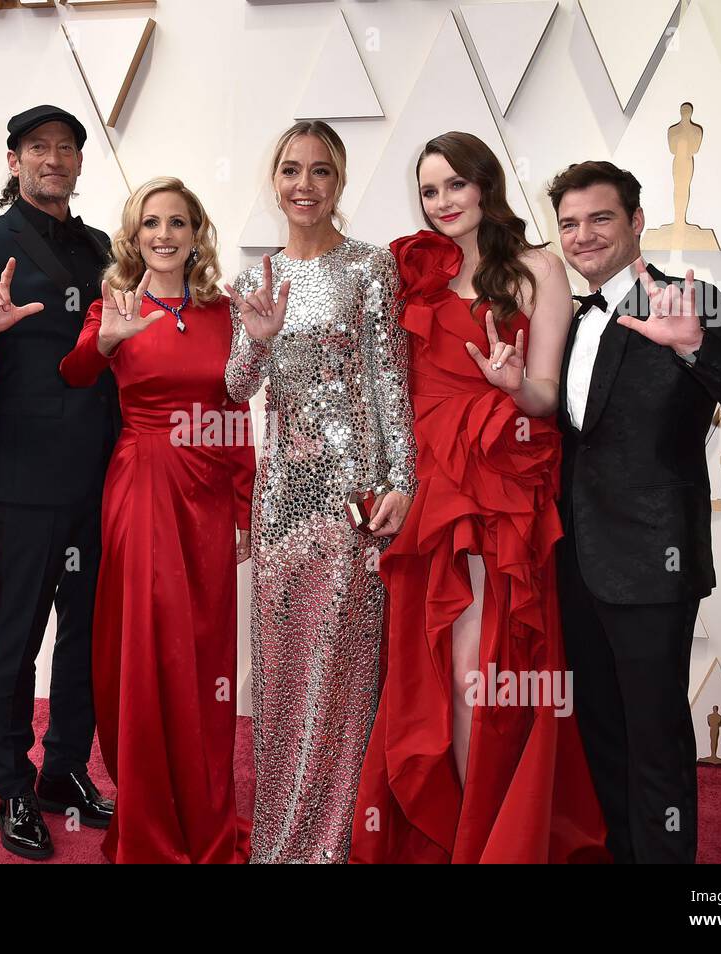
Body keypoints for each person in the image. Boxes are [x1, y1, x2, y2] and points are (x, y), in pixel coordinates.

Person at [350, 132, 610, 864]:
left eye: (455, 185)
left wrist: (513, 384)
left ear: (486, 185)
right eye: (430, 191)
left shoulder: (537, 269)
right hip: (426, 484)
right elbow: (383, 387)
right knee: (426, 668)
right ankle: (456, 828)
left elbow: (549, 397)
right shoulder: (415, 273)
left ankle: (484, 840)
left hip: (496, 478)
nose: (442, 203)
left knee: (479, 670)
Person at [547, 160, 721, 863]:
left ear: (635, 223)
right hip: (577, 562)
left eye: (600, 219)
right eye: (569, 223)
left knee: (655, 740)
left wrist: (693, 344)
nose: (583, 235)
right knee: (602, 732)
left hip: (654, 563)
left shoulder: (690, 300)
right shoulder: (571, 315)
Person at [225, 120, 416, 864]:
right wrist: (263, 338)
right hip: (280, 500)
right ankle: (277, 843)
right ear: (273, 180)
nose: (304, 184)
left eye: (320, 172)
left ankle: (330, 847)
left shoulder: (370, 266)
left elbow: (388, 379)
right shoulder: (256, 278)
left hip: (350, 500)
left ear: (339, 181)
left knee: (338, 675)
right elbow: (238, 385)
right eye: (291, 170)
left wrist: (400, 481)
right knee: (279, 674)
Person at [0, 105, 117, 860]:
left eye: (65, 148)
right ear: (13, 161)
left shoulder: (104, 244)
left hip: (106, 472)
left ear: (79, 162)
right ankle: (12, 784)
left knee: (87, 634)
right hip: (24, 475)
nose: (53, 159)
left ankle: (64, 768)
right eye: (37, 148)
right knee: (15, 637)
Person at [59, 177, 255, 864]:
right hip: (142, 485)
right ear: (134, 236)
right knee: (145, 648)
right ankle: (147, 822)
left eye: (177, 222)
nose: (164, 234)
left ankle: (205, 815)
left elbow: (235, 411)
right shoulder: (113, 302)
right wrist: (107, 342)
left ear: (196, 233)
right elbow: (77, 373)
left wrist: (245, 502)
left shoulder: (225, 311)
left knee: (202, 654)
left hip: (207, 491)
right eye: (151, 224)